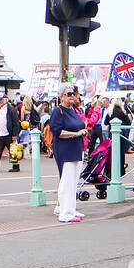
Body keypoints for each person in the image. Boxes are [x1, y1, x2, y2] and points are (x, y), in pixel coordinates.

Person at [49, 83, 88, 222]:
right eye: (68, 94)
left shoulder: (73, 110)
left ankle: (70, 208)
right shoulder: (57, 111)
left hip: (76, 149)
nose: (72, 96)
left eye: (73, 93)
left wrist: (80, 133)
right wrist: (76, 134)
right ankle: (65, 213)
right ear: (61, 97)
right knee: (67, 181)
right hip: (65, 150)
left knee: (73, 181)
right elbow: (57, 132)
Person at [0, 94, 20, 172]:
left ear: (5, 100)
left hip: (8, 134)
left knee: (12, 150)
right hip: (0, 133)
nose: (0, 101)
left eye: (1, 100)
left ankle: (16, 166)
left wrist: (14, 134)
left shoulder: (11, 109)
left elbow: (16, 122)